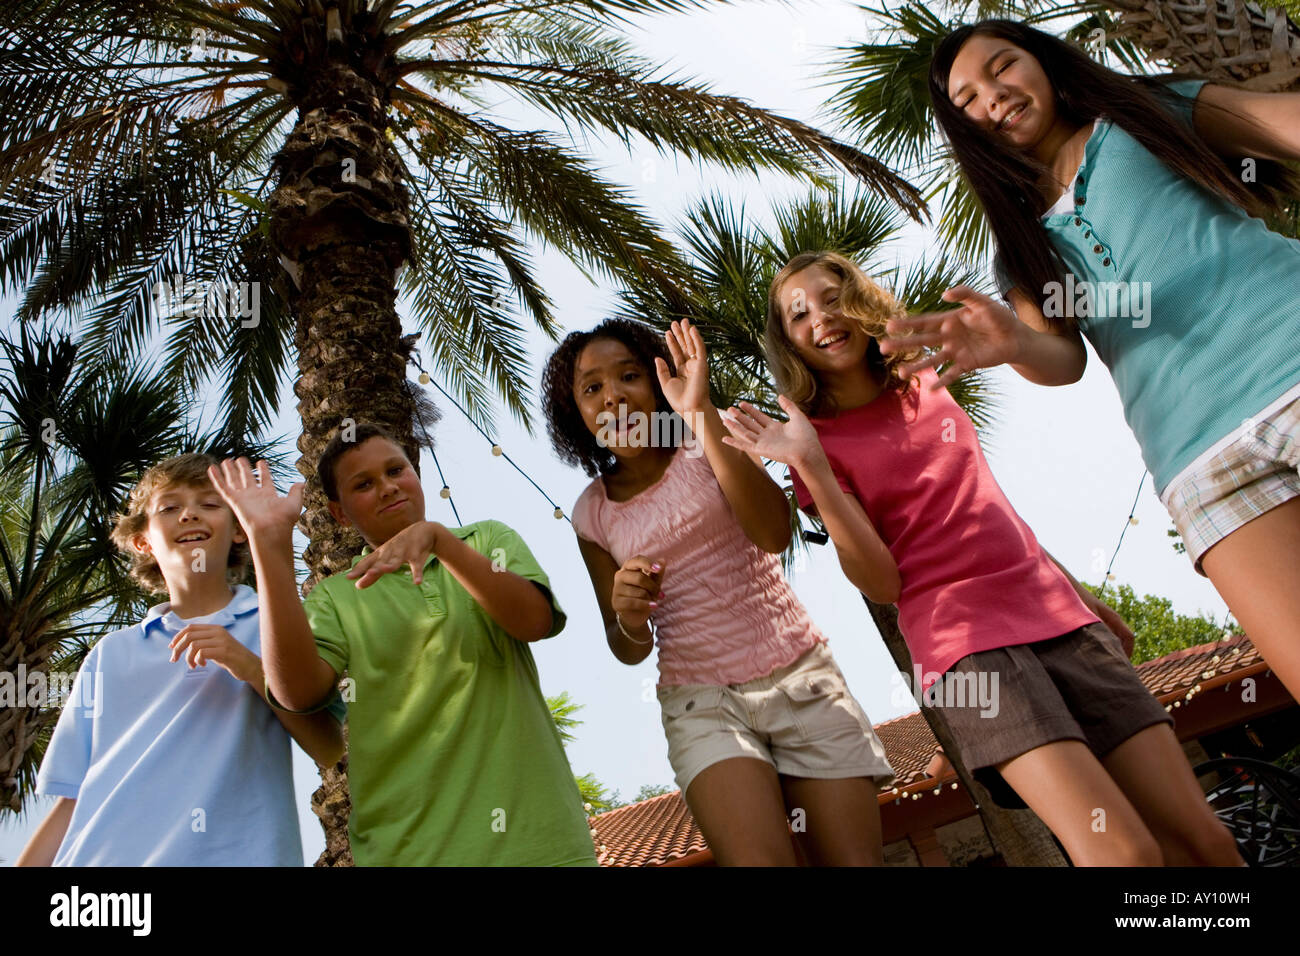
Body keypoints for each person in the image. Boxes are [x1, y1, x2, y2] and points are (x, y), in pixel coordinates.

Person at [721, 251, 1242, 866]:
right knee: (1123, 855)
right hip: (965, 647)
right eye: (798, 314)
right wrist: (809, 464)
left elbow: (986, 505)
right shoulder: (811, 444)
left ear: (858, 302)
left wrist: (1080, 595)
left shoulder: (926, 383)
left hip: (1054, 611)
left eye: (830, 298)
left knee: (1203, 843)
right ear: (789, 344)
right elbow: (882, 582)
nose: (820, 319)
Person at [882, 18, 1300, 703]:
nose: (993, 95)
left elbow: (1280, 122)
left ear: (1041, 63)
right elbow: (1061, 360)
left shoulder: (1142, 112)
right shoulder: (1020, 244)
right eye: (968, 100)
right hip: (1199, 461)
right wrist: (1013, 344)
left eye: (1002, 67)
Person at [543, 316, 895, 866]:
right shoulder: (591, 515)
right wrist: (630, 614)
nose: (612, 395)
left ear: (659, 380)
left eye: (628, 376)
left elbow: (774, 533)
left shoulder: (710, 434)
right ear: (577, 414)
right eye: (591, 388)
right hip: (702, 705)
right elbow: (626, 645)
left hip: (801, 673)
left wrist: (700, 413)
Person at [207, 425, 596, 865]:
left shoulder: (485, 540)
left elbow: (533, 621)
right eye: (363, 484)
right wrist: (270, 546)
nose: (388, 487)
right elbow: (297, 694)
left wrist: (441, 542)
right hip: (408, 854)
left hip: (539, 845)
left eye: (396, 470)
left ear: (417, 474)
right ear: (339, 514)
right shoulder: (335, 596)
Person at [18, 453, 344, 866]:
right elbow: (72, 801)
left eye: (210, 504)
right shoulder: (109, 654)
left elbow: (329, 745)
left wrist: (248, 666)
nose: (190, 514)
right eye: (170, 507)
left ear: (240, 530)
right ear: (143, 541)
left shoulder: (278, 625)